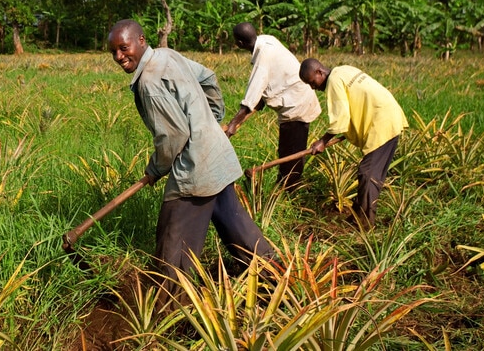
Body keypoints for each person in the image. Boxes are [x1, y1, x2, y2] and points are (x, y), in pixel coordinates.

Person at [107, 19, 274, 292]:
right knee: (235, 225)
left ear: (141, 40)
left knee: (174, 242)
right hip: (217, 155)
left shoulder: (149, 82)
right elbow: (208, 77)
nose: (118, 57)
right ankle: (276, 274)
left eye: (123, 48)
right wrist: (210, 121)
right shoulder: (166, 55)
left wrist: (155, 169)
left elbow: (173, 137)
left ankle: (170, 306)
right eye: (113, 51)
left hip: (195, 168)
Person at [299, 58, 408, 229]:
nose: (313, 88)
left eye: (312, 82)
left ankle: (365, 225)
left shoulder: (333, 82)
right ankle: (358, 216)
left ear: (319, 72)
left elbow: (340, 118)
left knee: (368, 174)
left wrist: (322, 141)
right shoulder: (343, 70)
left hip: (382, 123)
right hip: (388, 114)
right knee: (368, 174)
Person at [225, 23, 321, 189]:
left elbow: (253, 94)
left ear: (239, 43)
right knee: (290, 149)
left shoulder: (263, 56)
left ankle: (289, 190)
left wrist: (232, 125)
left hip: (296, 106)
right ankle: (287, 186)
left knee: (291, 151)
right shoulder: (267, 40)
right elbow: (268, 83)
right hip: (296, 99)